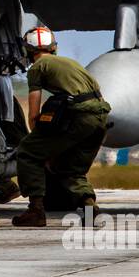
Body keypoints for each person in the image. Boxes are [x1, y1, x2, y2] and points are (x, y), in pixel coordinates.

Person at [12, 26, 111, 228]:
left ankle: (36, 211)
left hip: (79, 116)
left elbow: (33, 112)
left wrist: (38, 142)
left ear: (28, 50)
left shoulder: (38, 67)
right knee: (69, 167)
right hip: (100, 118)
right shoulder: (71, 63)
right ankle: (88, 206)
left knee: (27, 153)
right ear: (53, 47)